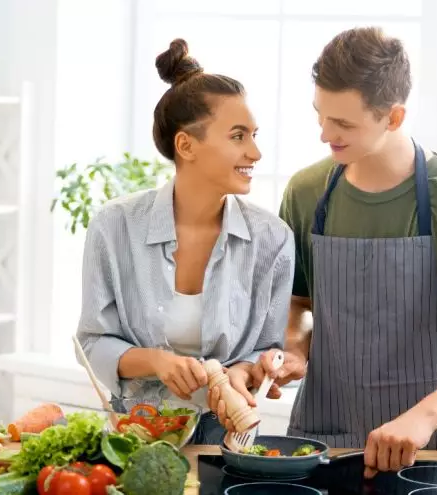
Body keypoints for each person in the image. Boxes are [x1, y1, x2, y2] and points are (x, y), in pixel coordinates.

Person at [211, 26, 437, 474]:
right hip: (327, 438)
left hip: (433, 449)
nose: (324, 133)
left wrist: (423, 418)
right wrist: (294, 350)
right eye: (320, 114)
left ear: (394, 118)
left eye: (342, 123)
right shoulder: (307, 194)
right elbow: (300, 302)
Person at [76, 38, 295, 445]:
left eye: (254, 135)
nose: (256, 152)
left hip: (228, 438)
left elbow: (267, 349)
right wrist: (157, 362)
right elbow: (92, 341)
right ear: (186, 145)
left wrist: (245, 372)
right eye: (238, 136)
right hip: (135, 432)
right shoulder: (114, 226)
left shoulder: (273, 240)